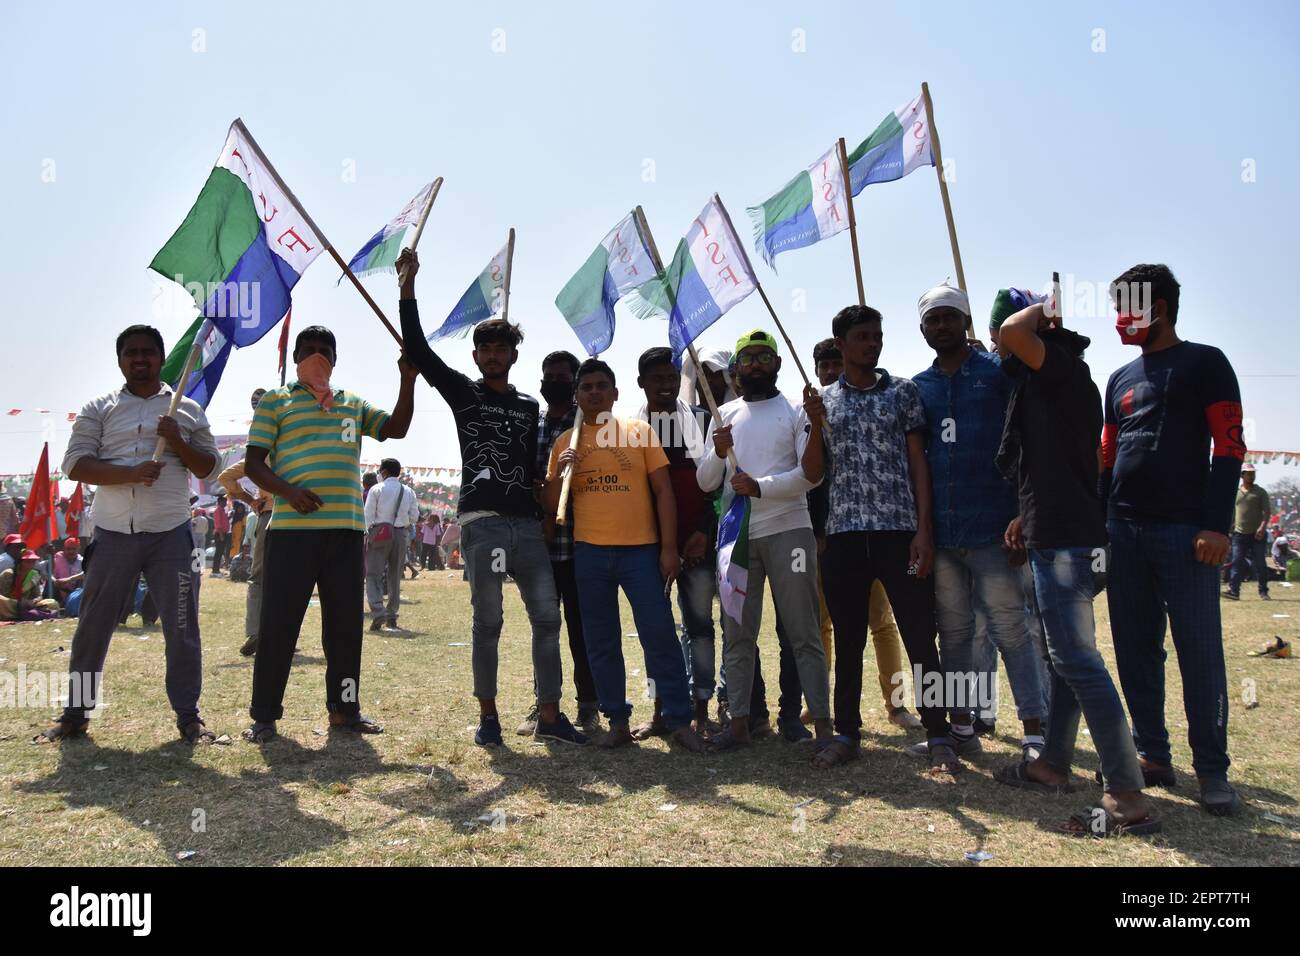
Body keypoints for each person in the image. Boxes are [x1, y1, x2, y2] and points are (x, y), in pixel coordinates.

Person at [396, 248, 584, 746]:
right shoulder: (463, 393)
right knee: (489, 623)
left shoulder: (528, 406)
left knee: (548, 617)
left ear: (514, 355)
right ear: (476, 356)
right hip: (482, 524)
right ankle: (489, 719)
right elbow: (417, 346)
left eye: (502, 347)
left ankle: (549, 716)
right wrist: (408, 286)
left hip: (526, 527)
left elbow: (532, 470)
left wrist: (552, 488)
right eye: (487, 348)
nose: (495, 354)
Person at [992, 293, 1159, 836]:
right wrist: (1025, 516)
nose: (1002, 352)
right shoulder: (1048, 384)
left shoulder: (1058, 367)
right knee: (1068, 657)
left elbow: (1013, 333)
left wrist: (1041, 307)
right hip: (1062, 535)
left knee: (1078, 661)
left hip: (1066, 543)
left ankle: (1127, 793)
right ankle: (1053, 764)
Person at [1100, 263, 1244, 815]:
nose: (1117, 319)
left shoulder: (1206, 363)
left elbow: (1229, 448)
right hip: (1123, 532)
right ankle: (1152, 755)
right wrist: (1100, 522)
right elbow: (1109, 458)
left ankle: (1212, 772)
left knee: (1200, 652)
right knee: (1136, 651)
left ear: (1157, 307)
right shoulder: (1118, 379)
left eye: (1126, 306)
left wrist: (1216, 525)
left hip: (1188, 535)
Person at [35, 324, 221, 744]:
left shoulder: (186, 410)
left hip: (170, 534)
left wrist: (176, 440)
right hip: (114, 532)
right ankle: (75, 715)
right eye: (131, 353)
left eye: (148, 353)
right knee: (93, 627)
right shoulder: (98, 409)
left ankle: (189, 717)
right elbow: (75, 465)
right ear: (120, 360)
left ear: (160, 358)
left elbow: (209, 468)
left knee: (180, 626)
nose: (140, 359)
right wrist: (130, 474)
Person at [240, 325, 416, 744]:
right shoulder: (275, 402)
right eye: (309, 350)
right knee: (279, 625)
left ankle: (345, 710)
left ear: (334, 360)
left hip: (345, 531)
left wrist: (408, 379)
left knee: (345, 630)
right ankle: (264, 716)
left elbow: (396, 427)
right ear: (297, 357)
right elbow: (253, 464)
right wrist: (288, 492)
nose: (317, 355)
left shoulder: (352, 404)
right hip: (290, 532)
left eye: (325, 350)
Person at [812, 307, 958, 773]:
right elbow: (813, 472)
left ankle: (940, 734)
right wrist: (814, 423)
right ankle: (846, 733)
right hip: (844, 536)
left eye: (877, 335)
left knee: (920, 635)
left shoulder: (902, 392)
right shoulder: (822, 401)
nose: (872, 344)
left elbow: (919, 463)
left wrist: (924, 531)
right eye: (862, 337)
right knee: (850, 637)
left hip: (899, 532)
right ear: (840, 343)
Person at [913, 285, 1047, 762]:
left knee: (1012, 630)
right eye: (934, 319)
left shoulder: (1001, 375)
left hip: (997, 529)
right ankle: (963, 726)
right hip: (944, 537)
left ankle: (1035, 733)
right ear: (923, 328)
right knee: (953, 633)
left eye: (951, 317)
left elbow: (1030, 446)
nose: (943, 326)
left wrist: (1022, 515)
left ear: (966, 322)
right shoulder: (919, 388)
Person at [544, 358, 706, 752]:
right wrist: (558, 472)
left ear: (615, 393)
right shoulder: (566, 442)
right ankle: (617, 720)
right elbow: (552, 506)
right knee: (601, 639)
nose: (595, 392)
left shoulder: (639, 432)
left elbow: (664, 492)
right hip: (591, 554)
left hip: (642, 552)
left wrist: (668, 549)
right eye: (587, 387)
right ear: (578, 396)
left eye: (602, 386)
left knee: (660, 635)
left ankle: (680, 722)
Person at [696, 330, 834, 755]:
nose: (755, 364)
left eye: (763, 356)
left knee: (803, 631)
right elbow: (706, 481)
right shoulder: (725, 416)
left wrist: (760, 486)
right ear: (736, 369)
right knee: (738, 634)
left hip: (789, 531)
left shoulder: (796, 409)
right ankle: (739, 723)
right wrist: (718, 453)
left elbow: (812, 476)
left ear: (776, 363)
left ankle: (824, 727)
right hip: (737, 537)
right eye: (747, 358)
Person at [808, 337, 922, 732]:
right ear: (818, 369)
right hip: (831, 536)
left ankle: (897, 705)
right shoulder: (816, 409)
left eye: (837, 364)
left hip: (881, 532)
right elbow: (812, 478)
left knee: (883, 622)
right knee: (825, 624)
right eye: (826, 365)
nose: (832, 371)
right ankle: (822, 706)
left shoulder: (890, 397)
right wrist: (818, 530)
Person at [636, 346, 719, 735]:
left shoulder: (703, 421)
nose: (667, 385)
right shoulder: (631, 430)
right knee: (655, 627)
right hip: (648, 545)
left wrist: (704, 530)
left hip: (698, 543)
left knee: (700, 626)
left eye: (672, 377)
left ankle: (701, 710)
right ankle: (660, 712)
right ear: (642, 384)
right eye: (657, 379)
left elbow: (717, 484)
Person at [525, 350, 600, 735]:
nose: (552, 381)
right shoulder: (532, 424)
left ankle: (588, 704)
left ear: (572, 384)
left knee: (580, 627)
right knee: (543, 627)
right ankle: (544, 704)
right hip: (539, 545)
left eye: (560, 376)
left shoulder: (587, 427)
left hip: (579, 543)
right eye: (547, 375)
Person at [219, 388, 274, 657]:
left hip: (269, 517)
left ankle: (256, 631)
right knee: (288, 580)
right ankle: (279, 633)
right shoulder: (290, 445)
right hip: (294, 517)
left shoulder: (259, 451)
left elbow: (226, 478)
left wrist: (251, 499)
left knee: (259, 579)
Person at [364, 457, 420, 631]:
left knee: (373, 574)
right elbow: (414, 516)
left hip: (380, 533)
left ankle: (378, 610)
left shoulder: (376, 489)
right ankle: (391, 614)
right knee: (395, 575)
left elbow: (368, 516)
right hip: (400, 533)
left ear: (384, 472)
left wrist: (369, 533)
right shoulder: (408, 491)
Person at [1226, 463, 1271, 601]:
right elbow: (1232, 512)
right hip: (1239, 534)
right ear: (1242, 475)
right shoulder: (1236, 492)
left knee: (1260, 563)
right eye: (1249, 473)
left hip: (1257, 534)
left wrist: (1262, 527)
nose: (1252, 476)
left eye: (1253, 473)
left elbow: (1267, 512)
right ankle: (1234, 591)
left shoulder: (1260, 492)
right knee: (1236, 562)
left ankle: (1263, 591)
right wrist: (1229, 529)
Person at [0, 549, 61, 621]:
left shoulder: (34, 574)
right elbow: (3, 595)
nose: (31, 563)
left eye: (33, 560)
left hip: (27, 605)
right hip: (9, 604)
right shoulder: (9, 574)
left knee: (53, 603)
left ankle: (25, 614)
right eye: (28, 561)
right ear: (20, 561)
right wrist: (20, 602)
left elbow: (38, 594)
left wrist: (36, 600)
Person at [51, 538, 84, 605]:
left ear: (79, 549)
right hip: (57, 589)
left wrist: (67, 580)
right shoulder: (58, 557)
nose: (71, 551)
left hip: (74, 592)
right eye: (68, 549)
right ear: (64, 549)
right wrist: (55, 580)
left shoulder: (82, 561)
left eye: (74, 549)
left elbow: (86, 574)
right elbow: (49, 571)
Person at [210, 494, 231, 576]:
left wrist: (228, 518)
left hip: (223, 533)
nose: (225, 503)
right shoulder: (218, 510)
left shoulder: (222, 510)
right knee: (218, 552)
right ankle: (215, 571)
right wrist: (221, 535)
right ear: (219, 502)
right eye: (224, 501)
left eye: (225, 501)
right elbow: (218, 524)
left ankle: (217, 570)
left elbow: (223, 522)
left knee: (221, 552)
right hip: (219, 534)